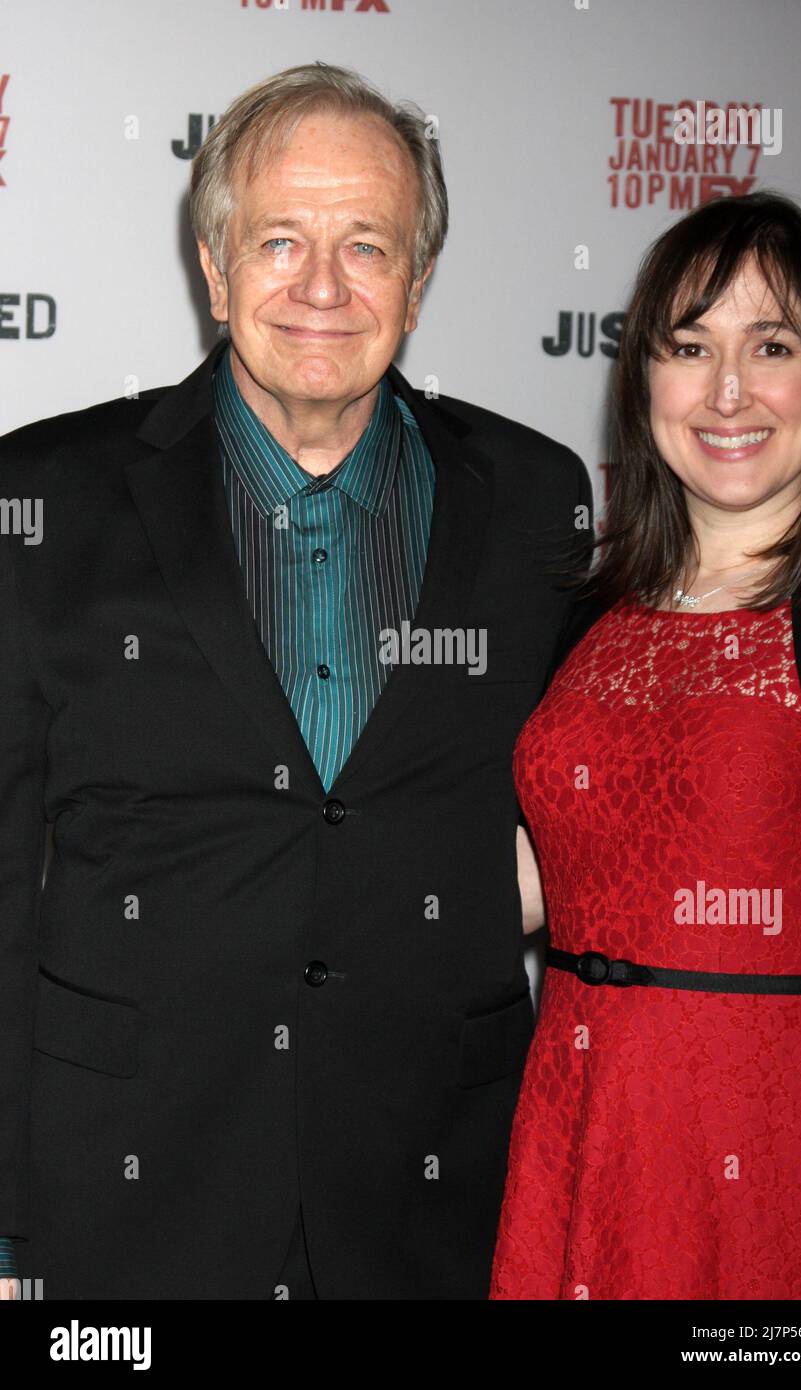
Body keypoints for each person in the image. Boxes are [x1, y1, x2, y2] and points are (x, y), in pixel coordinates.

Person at [0, 62, 591, 1300]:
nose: (321, 286)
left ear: (419, 281)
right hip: (127, 1193)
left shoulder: (539, 502)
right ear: (213, 268)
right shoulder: (44, 501)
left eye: (366, 245)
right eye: (277, 240)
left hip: (437, 1195)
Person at [490, 191, 801, 1300]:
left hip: (782, 1147)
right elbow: (541, 878)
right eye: (688, 347)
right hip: (578, 1124)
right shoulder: (585, 608)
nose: (727, 392)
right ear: (641, 378)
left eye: (770, 345)